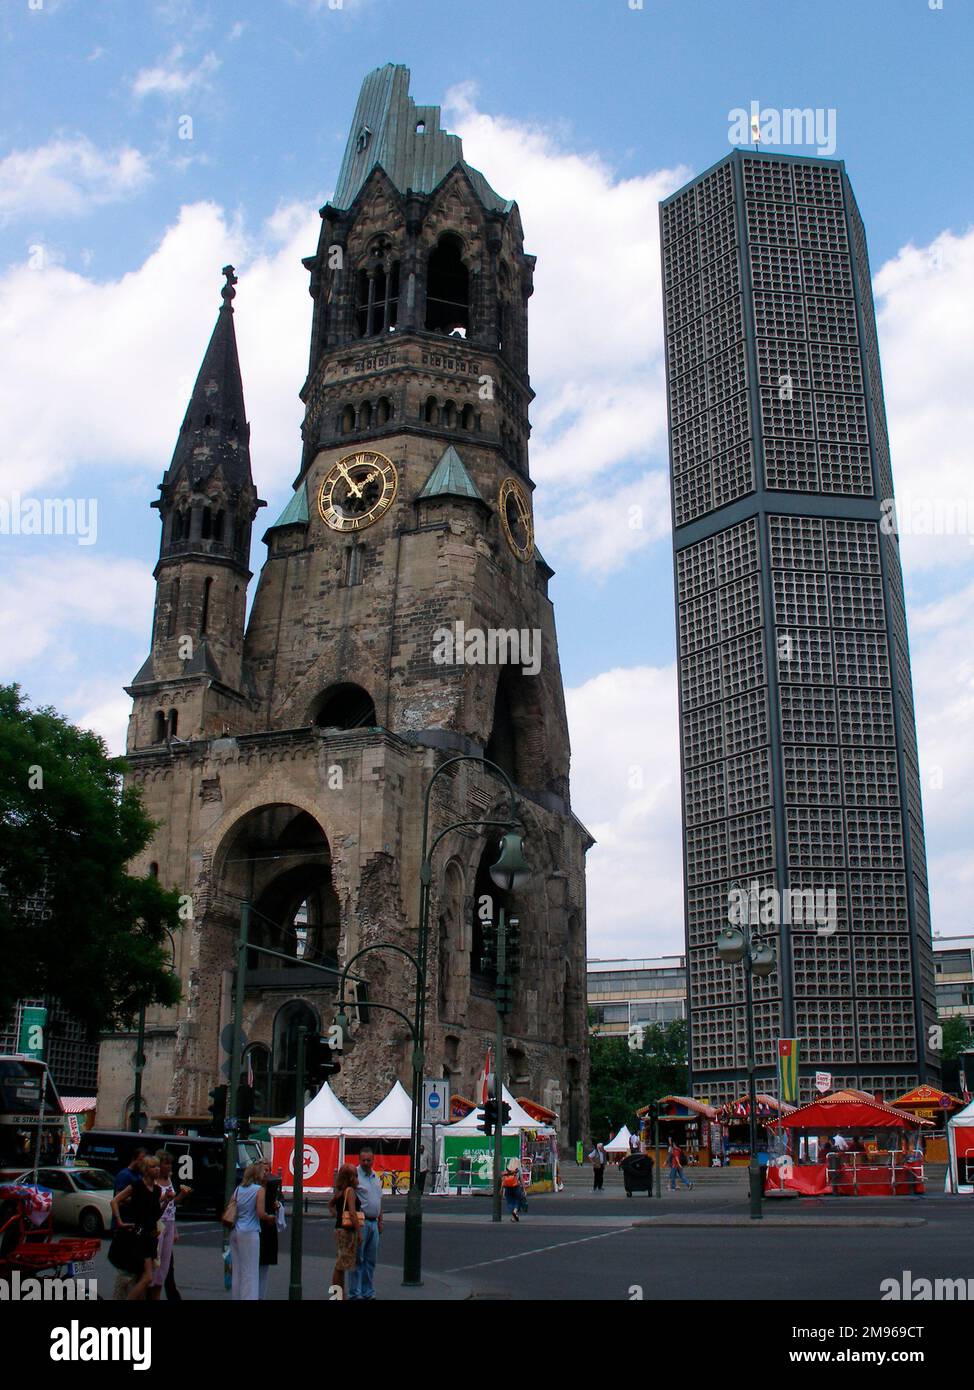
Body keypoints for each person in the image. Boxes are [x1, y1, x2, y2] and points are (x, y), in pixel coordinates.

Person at [111, 1155, 163, 1300]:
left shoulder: (157, 1190)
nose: (157, 1169)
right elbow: (115, 1201)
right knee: (147, 1277)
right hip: (138, 1235)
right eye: (153, 1167)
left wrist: (167, 1201)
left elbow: (156, 1215)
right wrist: (119, 1221)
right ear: (146, 1170)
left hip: (151, 1236)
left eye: (158, 1166)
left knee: (141, 1277)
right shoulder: (137, 1185)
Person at [151, 1150, 190, 1300]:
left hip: (169, 1222)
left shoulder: (169, 1180)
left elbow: (172, 1204)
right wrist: (165, 1198)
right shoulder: (154, 1182)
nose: (169, 1166)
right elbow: (153, 1203)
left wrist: (182, 1195)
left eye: (170, 1163)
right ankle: (152, 1293)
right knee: (156, 1261)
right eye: (166, 1163)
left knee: (165, 1265)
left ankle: (158, 1293)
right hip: (158, 1223)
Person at [110, 1148, 147, 1300]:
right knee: (126, 1270)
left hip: (134, 1224)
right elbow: (119, 1198)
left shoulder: (138, 1175)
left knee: (134, 1270)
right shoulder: (125, 1175)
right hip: (125, 1225)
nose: (143, 1163)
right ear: (134, 1159)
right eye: (142, 1159)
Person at [348, 1145, 383, 1300]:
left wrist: (380, 1220)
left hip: (374, 1222)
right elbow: (349, 1200)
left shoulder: (376, 1177)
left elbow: (379, 1200)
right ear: (359, 1160)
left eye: (369, 1160)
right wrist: (355, 1225)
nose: (366, 1163)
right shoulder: (354, 1176)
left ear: (373, 1160)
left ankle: (368, 1292)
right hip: (361, 1222)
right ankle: (355, 1293)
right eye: (364, 1160)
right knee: (357, 1259)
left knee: (370, 1261)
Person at [228, 1163, 266, 1301]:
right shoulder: (259, 1190)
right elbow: (260, 1213)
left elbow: (232, 1207)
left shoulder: (238, 1189)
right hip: (250, 1231)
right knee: (250, 1270)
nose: (264, 1175)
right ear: (257, 1175)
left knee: (238, 1270)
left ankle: (236, 1297)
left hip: (236, 1230)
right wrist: (270, 1217)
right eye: (262, 1172)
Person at [328, 1164, 362, 1301]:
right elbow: (353, 1213)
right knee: (340, 1265)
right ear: (351, 1177)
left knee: (340, 1264)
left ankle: (339, 1295)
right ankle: (338, 1296)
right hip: (347, 1231)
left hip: (338, 1228)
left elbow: (330, 1204)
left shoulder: (341, 1191)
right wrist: (359, 1232)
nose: (357, 1178)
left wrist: (336, 1214)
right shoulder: (350, 1191)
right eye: (356, 1175)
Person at [257, 1162, 286, 1299]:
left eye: (268, 1170)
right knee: (253, 1268)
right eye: (264, 1170)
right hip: (258, 1228)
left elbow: (279, 1202)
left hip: (268, 1229)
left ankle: (260, 1296)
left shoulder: (273, 1187)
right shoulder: (255, 1188)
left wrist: (278, 1205)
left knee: (264, 1267)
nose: (266, 1174)